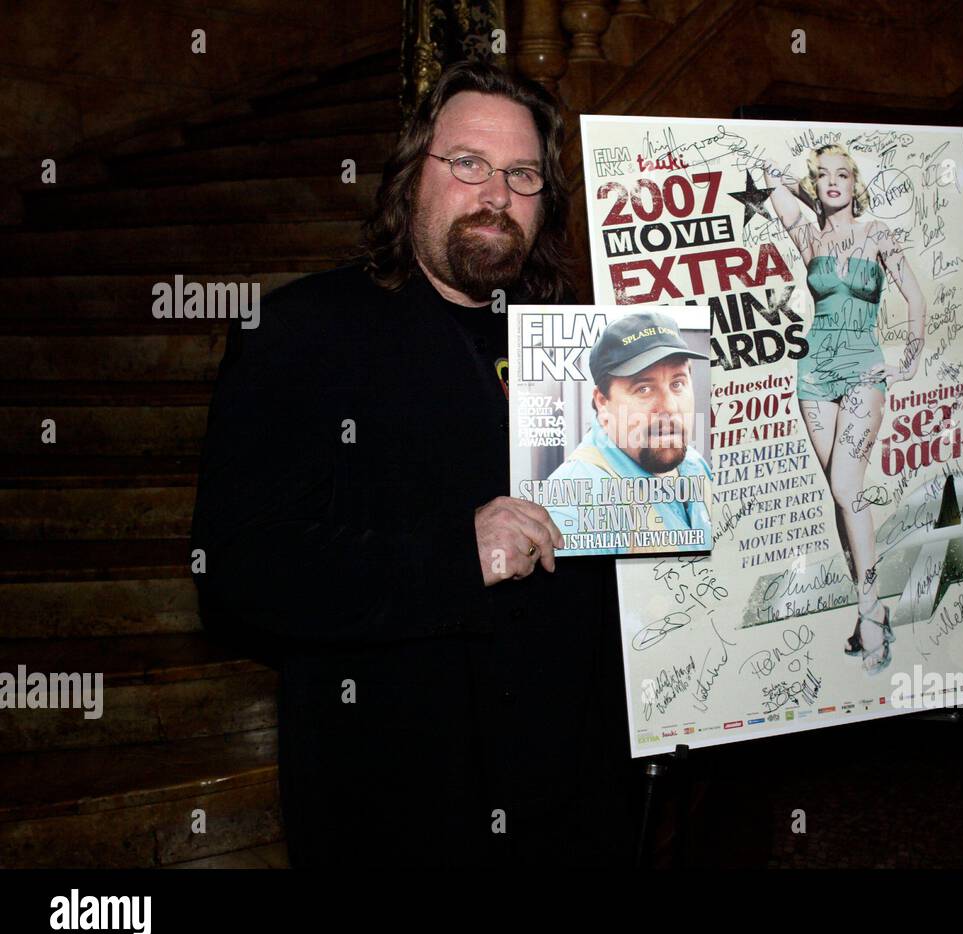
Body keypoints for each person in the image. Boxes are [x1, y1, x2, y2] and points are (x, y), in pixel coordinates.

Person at [190, 60, 633, 868]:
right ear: (410, 174)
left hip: (575, 807)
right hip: (397, 815)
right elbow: (236, 570)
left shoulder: (590, 348)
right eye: (467, 163)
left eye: (522, 174)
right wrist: (452, 556)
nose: (495, 193)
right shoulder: (299, 333)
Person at [762, 144, 926, 674]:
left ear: (856, 184)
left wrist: (906, 363)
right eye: (824, 176)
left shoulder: (878, 233)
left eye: (843, 175)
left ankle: (869, 611)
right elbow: (765, 178)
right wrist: (799, 184)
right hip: (814, 374)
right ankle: (870, 609)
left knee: (847, 490)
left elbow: (917, 298)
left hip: (862, 368)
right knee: (841, 498)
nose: (834, 183)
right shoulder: (808, 233)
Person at [543, 313, 712, 555]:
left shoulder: (694, 463)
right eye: (644, 388)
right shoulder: (575, 505)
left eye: (677, 384)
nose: (670, 407)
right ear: (602, 402)